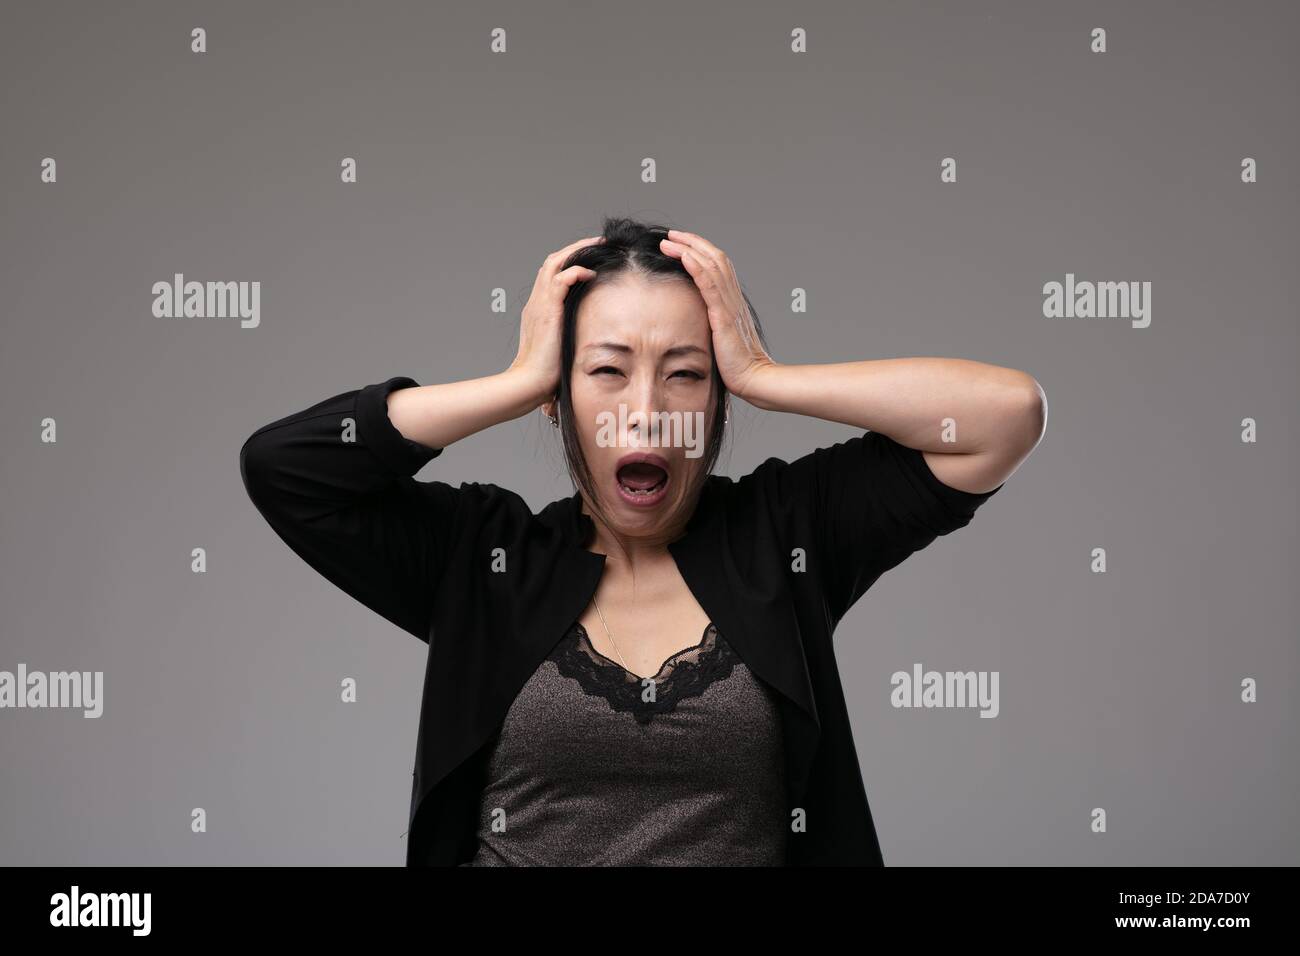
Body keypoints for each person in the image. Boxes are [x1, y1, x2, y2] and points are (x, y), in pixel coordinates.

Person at [239, 216, 1046, 865]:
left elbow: (1003, 416)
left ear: (719, 399)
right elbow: (285, 468)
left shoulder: (785, 536)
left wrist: (765, 375)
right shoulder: (481, 559)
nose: (646, 410)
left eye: (686, 373)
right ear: (561, 399)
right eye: (607, 371)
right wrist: (519, 382)